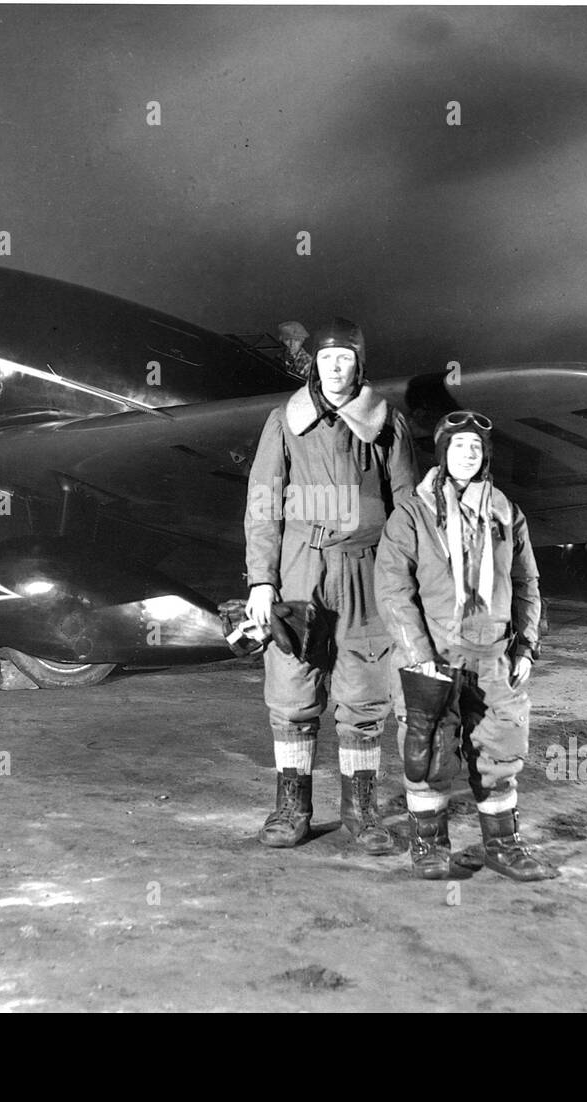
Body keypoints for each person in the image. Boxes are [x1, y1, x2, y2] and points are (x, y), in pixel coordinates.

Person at [244, 317, 418, 853]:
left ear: (360, 364)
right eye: (326, 358)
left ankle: (359, 812)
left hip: (367, 570)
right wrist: (261, 581)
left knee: (365, 692)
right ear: (313, 364)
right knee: (294, 684)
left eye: (345, 358)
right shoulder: (285, 422)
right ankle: (291, 808)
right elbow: (263, 505)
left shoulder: (387, 424)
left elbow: (409, 509)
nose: (335, 368)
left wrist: (410, 582)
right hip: (302, 568)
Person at [375, 410, 557, 881]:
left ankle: (503, 847)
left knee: (500, 751)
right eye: (458, 446)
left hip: (493, 654)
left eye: (476, 448)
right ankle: (429, 845)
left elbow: (527, 583)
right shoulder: (411, 516)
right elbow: (393, 590)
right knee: (430, 755)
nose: (468, 455)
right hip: (434, 654)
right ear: (442, 453)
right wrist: (418, 656)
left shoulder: (505, 513)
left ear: (485, 457)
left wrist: (526, 646)